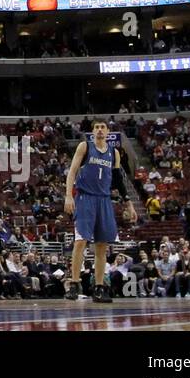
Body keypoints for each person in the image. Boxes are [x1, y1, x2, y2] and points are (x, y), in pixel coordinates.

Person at [64, 121, 138, 303]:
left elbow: (119, 180)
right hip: (85, 197)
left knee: (101, 246)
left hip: (104, 199)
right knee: (81, 241)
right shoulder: (85, 147)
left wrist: (129, 204)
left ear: (108, 131)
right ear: (92, 131)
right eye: (96, 127)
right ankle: (74, 284)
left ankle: (99, 287)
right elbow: (72, 171)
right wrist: (68, 195)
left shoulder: (114, 153)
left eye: (102, 127)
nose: (99, 130)